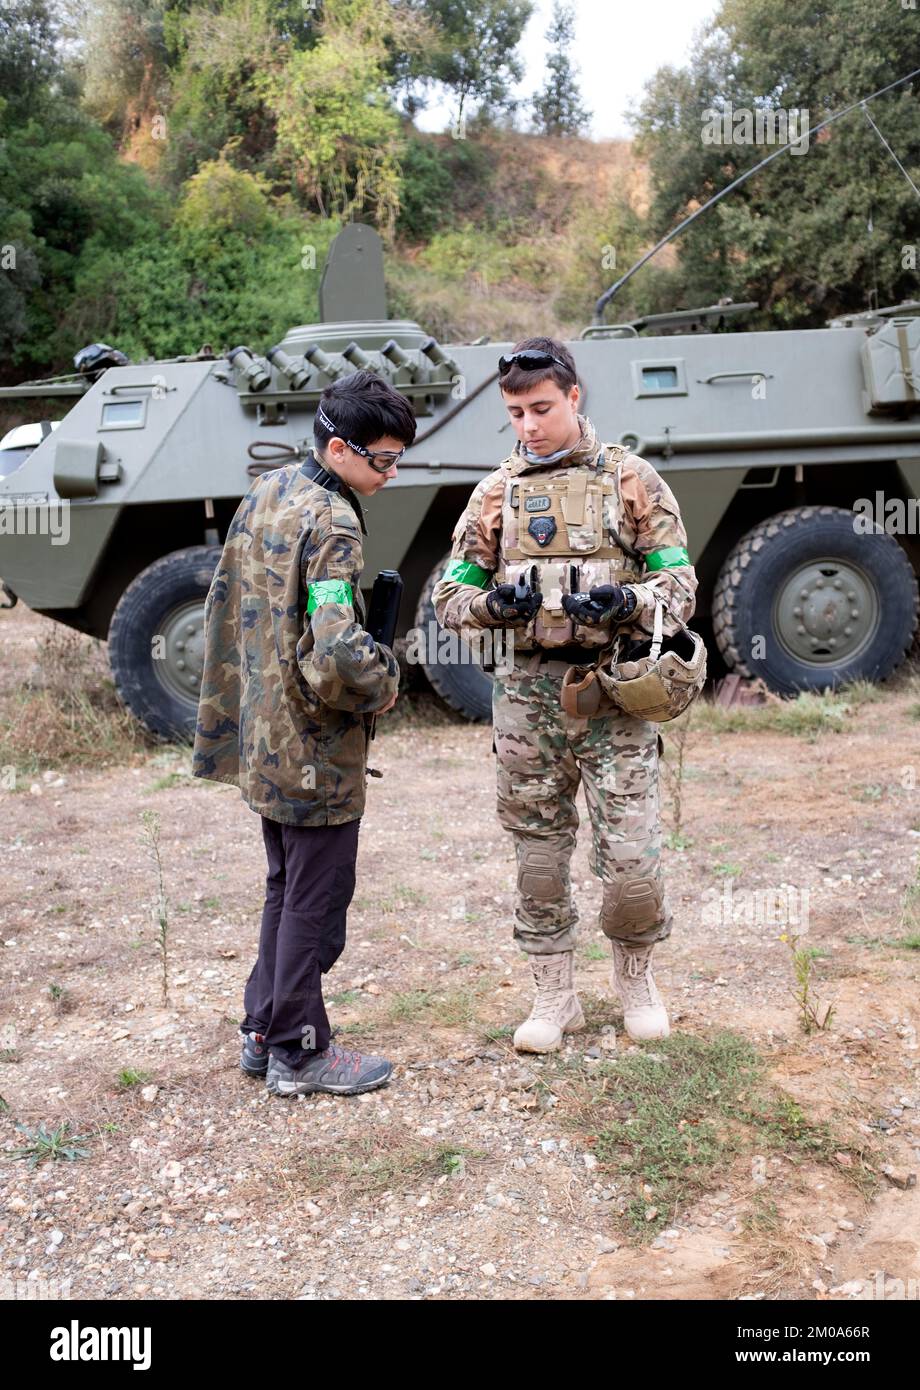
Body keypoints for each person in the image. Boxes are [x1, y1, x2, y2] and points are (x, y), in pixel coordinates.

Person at [433, 337, 698, 1052]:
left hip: (614, 690)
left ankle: (636, 981)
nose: (528, 425)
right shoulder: (495, 494)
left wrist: (628, 601)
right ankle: (555, 997)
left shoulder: (633, 480)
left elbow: (681, 585)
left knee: (633, 856)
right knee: (539, 855)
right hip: (527, 697)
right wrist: (500, 603)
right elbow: (451, 597)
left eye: (541, 408)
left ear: (574, 398)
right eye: (515, 412)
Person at [192, 369, 416, 1095]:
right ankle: (300, 1050)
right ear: (343, 447)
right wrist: (383, 684)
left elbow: (228, 607)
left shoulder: (271, 489)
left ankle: (263, 1030)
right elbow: (340, 644)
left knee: (286, 890)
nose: (392, 470)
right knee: (315, 903)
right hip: (314, 746)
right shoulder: (334, 520)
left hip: (264, 732)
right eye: (383, 458)